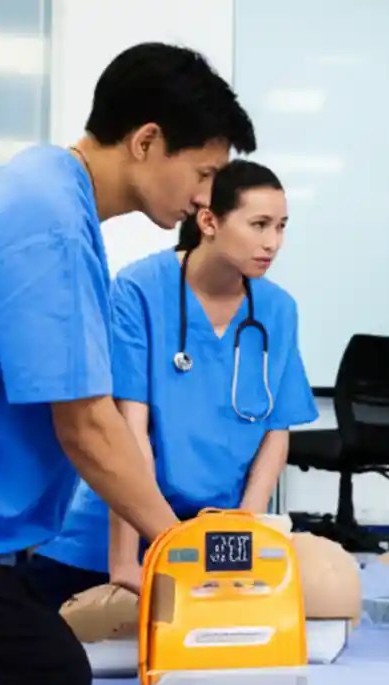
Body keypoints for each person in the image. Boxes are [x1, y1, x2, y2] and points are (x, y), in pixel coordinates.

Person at [0, 42, 256, 685]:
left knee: (37, 649)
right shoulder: (48, 219)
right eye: (203, 173)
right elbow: (85, 424)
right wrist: (180, 549)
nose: (207, 199)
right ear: (146, 141)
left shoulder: (48, 192)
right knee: (43, 675)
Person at [22, 159, 320, 609]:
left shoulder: (278, 309)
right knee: (39, 624)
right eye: (259, 225)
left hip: (214, 528)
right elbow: (129, 432)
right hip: (118, 524)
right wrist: (125, 561)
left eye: (281, 227)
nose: (272, 243)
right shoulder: (140, 289)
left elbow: (276, 432)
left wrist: (243, 533)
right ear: (209, 222)